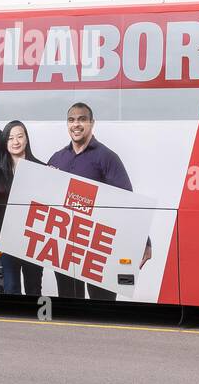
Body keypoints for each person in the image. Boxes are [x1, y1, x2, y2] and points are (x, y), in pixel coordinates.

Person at [46, 102, 152, 300]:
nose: (76, 124)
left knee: (102, 304)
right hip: (65, 245)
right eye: (71, 120)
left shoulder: (107, 158)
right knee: (68, 302)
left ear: (92, 123)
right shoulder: (56, 159)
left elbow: (127, 199)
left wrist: (144, 240)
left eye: (82, 119)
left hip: (99, 248)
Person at [0, 120, 43, 296]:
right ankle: (13, 324)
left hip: (33, 242)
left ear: (26, 139)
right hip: (7, 242)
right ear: (4, 143)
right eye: (10, 138)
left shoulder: (42, 169)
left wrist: (54, 177)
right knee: (10, 289)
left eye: (19, 136)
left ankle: (34, 324)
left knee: (33, 289)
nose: (15, 142)